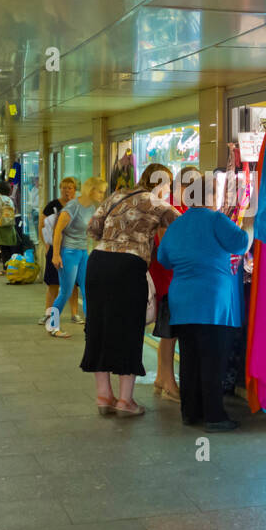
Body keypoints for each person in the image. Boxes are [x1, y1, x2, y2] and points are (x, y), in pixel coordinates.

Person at [80, 163, 179, 417]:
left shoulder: (115, 196)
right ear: (162, 183)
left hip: (98, 262)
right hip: (129, 266)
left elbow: (92, 229)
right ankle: (125, 401)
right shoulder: (159, 204)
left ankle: (103, 396)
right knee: (128, 329)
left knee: (98, 327)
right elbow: (181, 231)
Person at [156, 167, 252, 431]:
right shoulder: (216, 220)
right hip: (212, 301)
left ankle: (191, 412)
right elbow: (241, 243)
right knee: (213, 359)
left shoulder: (177, 223)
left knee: (189, 358)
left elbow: (163, 258)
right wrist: (249, 226)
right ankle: (214, 416)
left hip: (182, 302)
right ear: (210, 196)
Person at [149, 165, 194, 401]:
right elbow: (164, 244)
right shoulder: (172, 209)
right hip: (169, 275)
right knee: (169, 332)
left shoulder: (182, 207)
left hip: (172, 274)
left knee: (169, 332)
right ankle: (169, 383)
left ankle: (161, 378)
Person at [48, 176, 107, 339]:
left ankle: (91, 325)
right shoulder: (73, 206)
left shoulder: (93, 206)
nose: (102, 195)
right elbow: (58, 230)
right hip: (68, 252)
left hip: (82, 252)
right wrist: (56, 254)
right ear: (92, 190)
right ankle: (52, 325)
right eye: (100, 191)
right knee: (65, 292)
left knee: (88, 290)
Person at [38, 177, 80, 327]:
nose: (66, 190)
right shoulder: (52, 206)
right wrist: (46, 245)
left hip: (73, 250)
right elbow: (41, 224)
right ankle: (48, 313)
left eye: (70, 187)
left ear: (75, 190)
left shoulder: (78, 205)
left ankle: (74, 313)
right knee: (53, 283)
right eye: (64, 187)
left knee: (73, 284)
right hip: (55, 249)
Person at [0, 180, 18, 270]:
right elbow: (13, 210)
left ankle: (6, 268)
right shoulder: (10, 200)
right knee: (9, 246)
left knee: (3, 246)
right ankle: (10, 266)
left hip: (0, 223)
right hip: (9, 224)